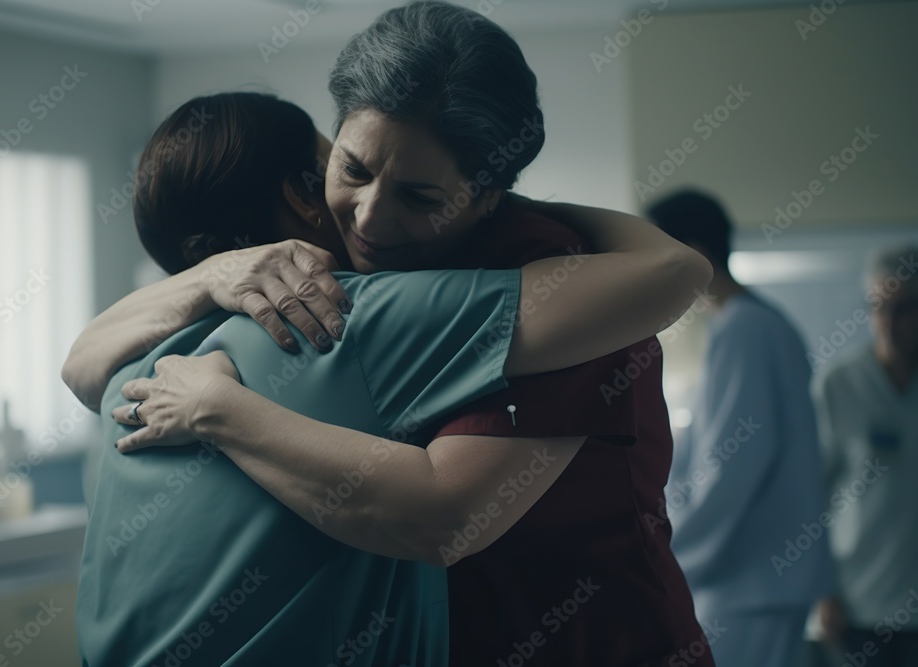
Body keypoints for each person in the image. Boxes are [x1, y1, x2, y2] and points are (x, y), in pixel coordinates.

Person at [67, 3, 714, 664]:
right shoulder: (311, 288)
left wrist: (218, 410)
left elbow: (444, 515)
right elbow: (82, 367)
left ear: (488, 195)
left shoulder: (551, 277)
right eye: (352, 170)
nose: (369, 218)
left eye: (420, 197)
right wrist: (212, 274)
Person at [646, 188, 837, 666]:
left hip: (748, 583)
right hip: (758, 580)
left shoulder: (744, 330)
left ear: (694, 254)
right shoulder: (758, 324)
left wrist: (664, 553)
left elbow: (732, 467)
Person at [811, 243, 918, 667]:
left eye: (905, 308)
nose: (888, 324)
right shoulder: (839, 386)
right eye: (878, 307)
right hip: (860, 607)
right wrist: (822, 592)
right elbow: (811, 497)